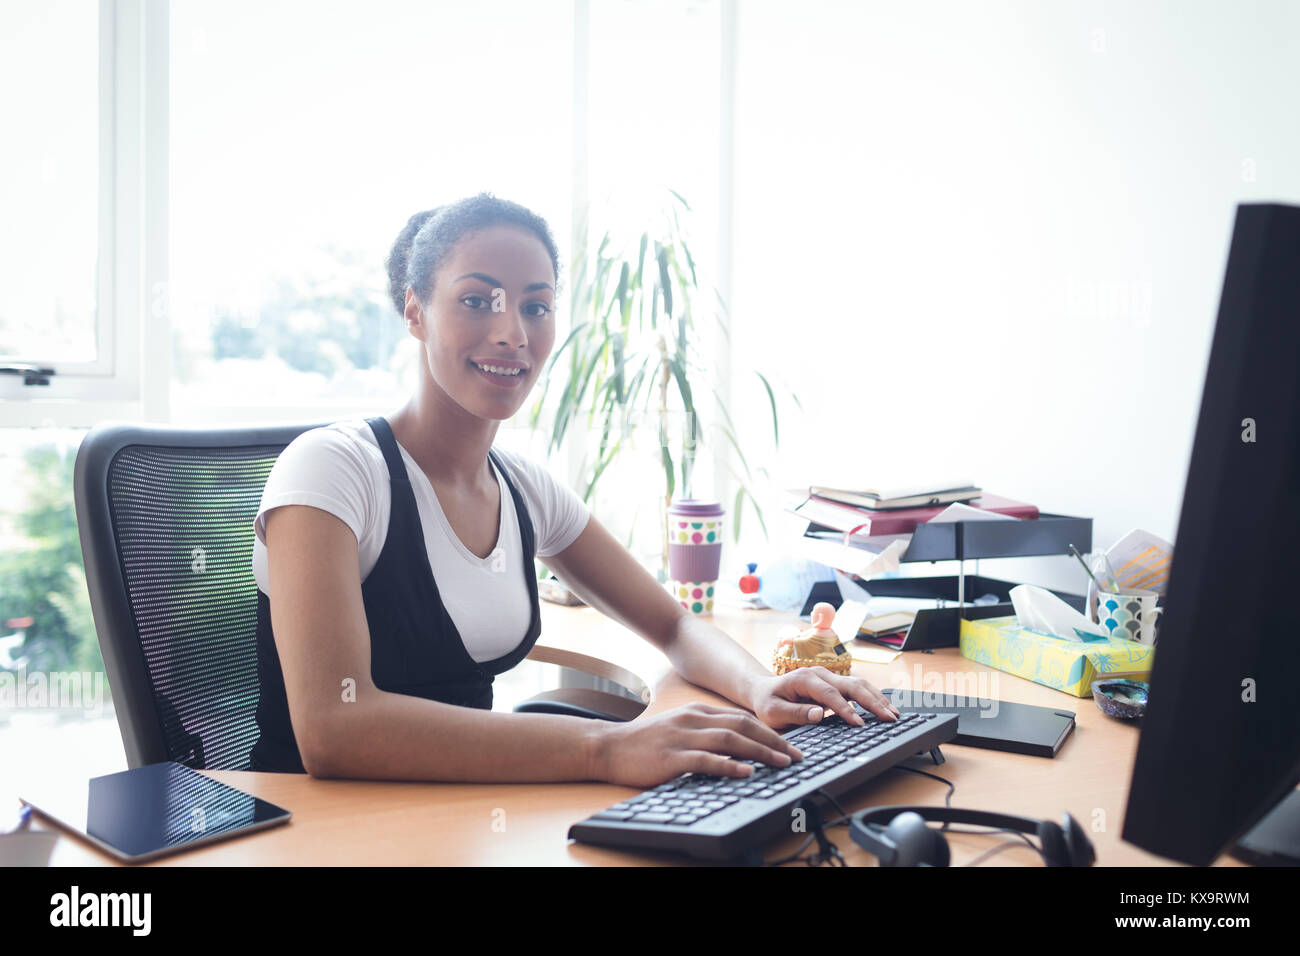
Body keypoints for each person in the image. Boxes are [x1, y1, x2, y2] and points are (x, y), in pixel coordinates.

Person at [249, 193, 899, 787]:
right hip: (319, 831)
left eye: (536, 305)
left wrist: (763, 687)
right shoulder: (332, 470)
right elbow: (334, 729)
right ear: (415, 311)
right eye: (478, 300)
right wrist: (604, 748)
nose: (513, 333)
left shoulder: (524, 487)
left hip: (456, 818)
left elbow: (671, 624)